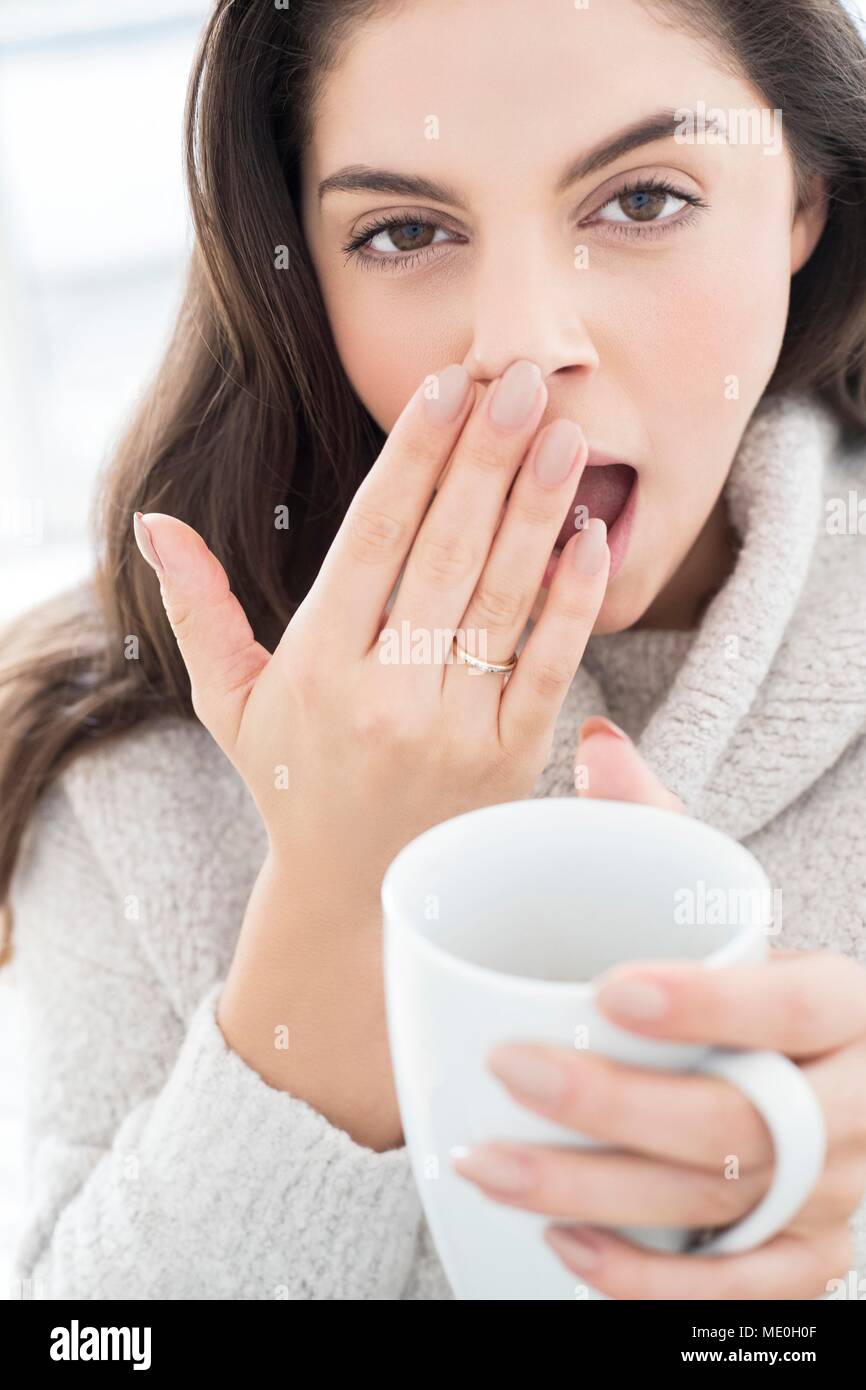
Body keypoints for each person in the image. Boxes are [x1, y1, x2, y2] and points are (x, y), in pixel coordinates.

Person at [1, 0, 865, 1301]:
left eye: (639, 200)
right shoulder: (132, 755)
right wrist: (337, 898)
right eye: (403, 231)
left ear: (801, 199)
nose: (520, 339)